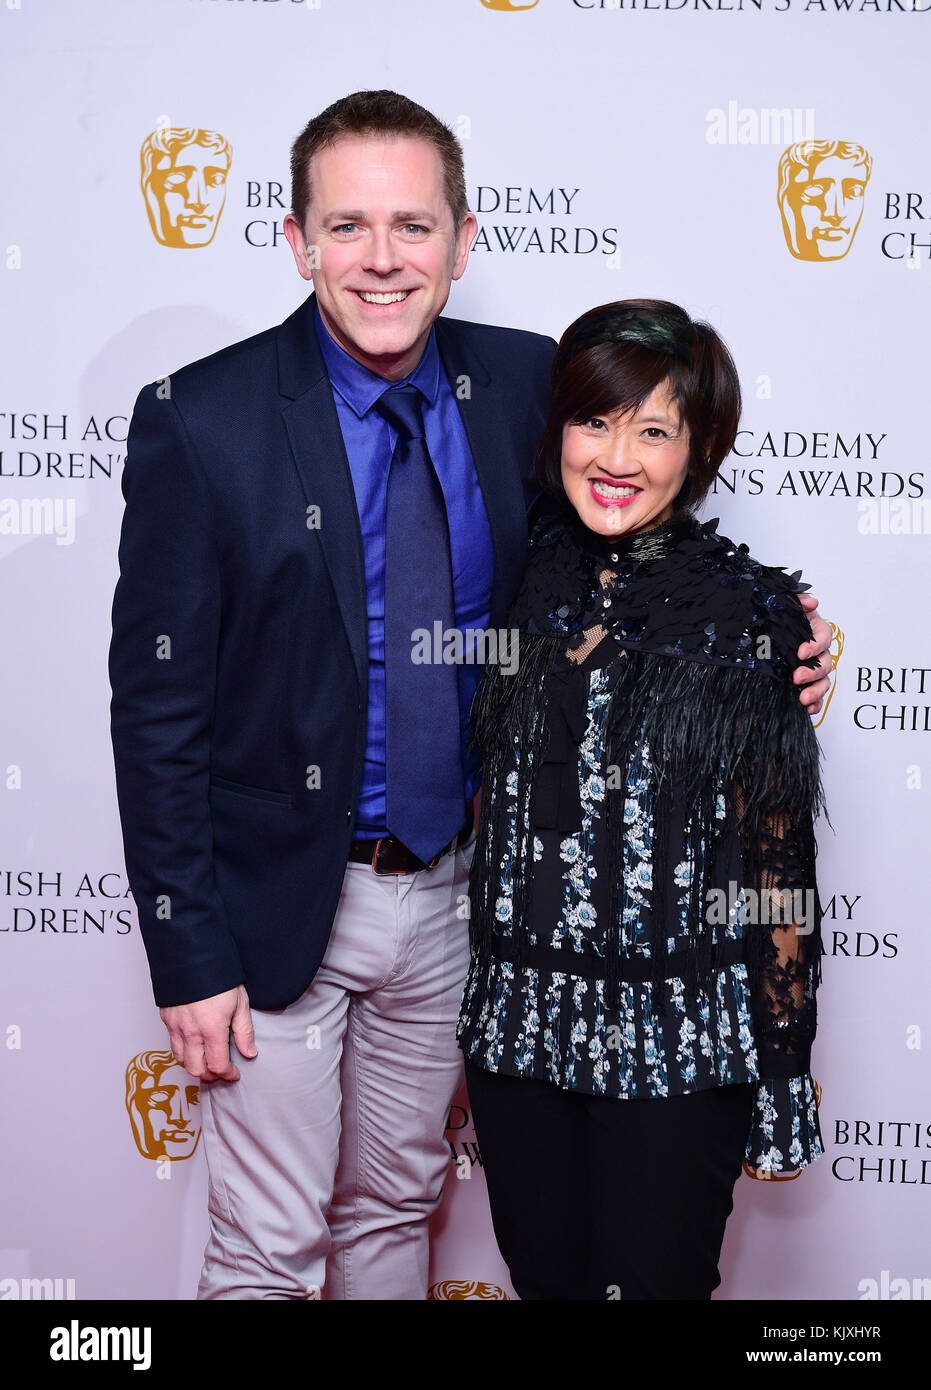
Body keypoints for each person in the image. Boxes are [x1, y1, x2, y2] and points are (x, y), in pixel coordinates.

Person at [108, 92, 834, 1302]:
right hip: (280, 896)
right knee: (267, 1247)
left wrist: (788, 637)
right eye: (347, 226)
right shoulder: (205, 419)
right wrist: (186, 952)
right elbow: (156, 708)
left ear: (463, 238)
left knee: (398, 1207)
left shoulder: (521, 388)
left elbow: (624, 546)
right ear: (296, 242)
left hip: (456, 903)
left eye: (411, 224)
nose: (382, 257)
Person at [458, 299, 828, 1301]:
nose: (617, 455)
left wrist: (783, 1059)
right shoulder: (507, 567)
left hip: (682, 1040)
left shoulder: (752, 613)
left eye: (654, 429)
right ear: (557, 432)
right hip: (520, 1030)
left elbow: (774, 860)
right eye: (594, 420)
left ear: (699, 447)